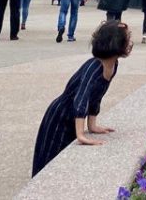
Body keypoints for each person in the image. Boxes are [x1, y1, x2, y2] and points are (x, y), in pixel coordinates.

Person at [32, 20, 132, 176]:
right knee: (49, 159)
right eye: (126, 39)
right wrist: (80, 134)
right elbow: (81, 98)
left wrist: (92, 125)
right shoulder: (95, 66)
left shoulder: (113, 65)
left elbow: (97, 96)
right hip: (60, 116)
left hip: (73, 117)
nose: (129, 43)